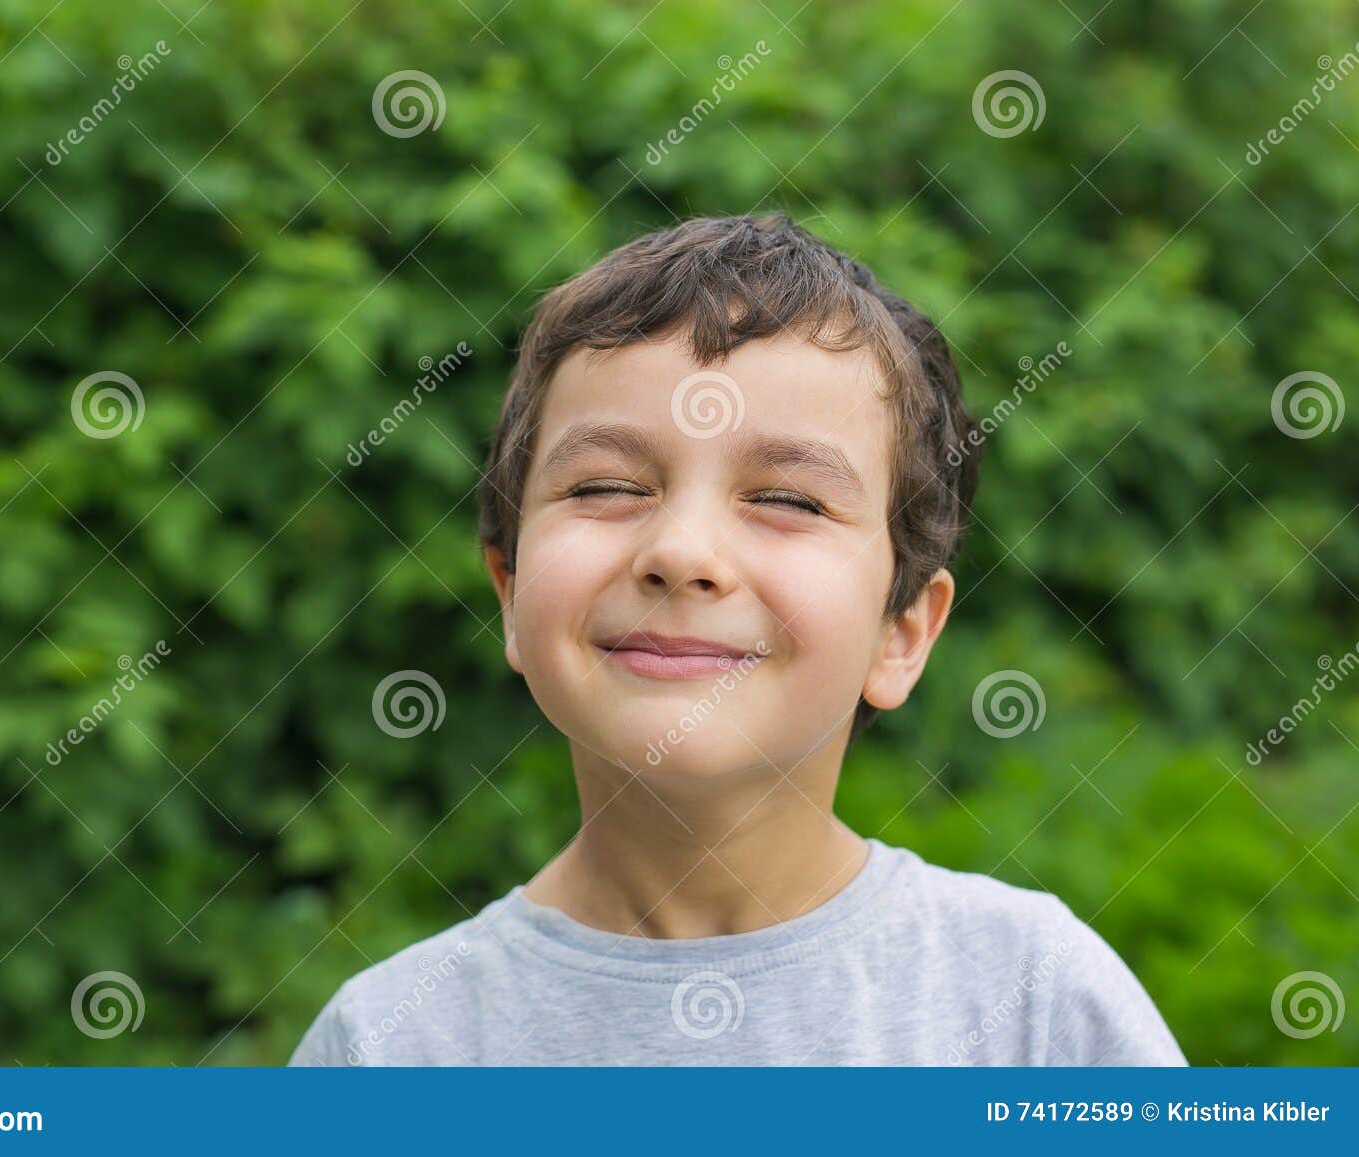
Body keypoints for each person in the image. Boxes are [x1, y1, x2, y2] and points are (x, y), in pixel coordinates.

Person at [289, 213, 1187, 1066]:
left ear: (901, 631)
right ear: (512, 595)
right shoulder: (388, 1046)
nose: (680, 552)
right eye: (605, 485)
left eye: (788, 499)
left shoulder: (1036, 1007)